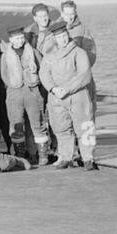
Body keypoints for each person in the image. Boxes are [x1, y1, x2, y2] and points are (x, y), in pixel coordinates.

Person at [39, 20, 97, 171]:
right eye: (59, 37)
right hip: (56, 98)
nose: (63, 39)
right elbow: (44, 74)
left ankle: (88, 158)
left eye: (65, 35)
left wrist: (67, 89)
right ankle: (66, 157)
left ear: (68, 35)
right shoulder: (49, 56)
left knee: (84, 127)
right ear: (55, 38)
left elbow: (85, 75)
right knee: (61, 128)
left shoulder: (79, 52)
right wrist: (52, 88)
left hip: (77, 96)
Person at [1, 25, 48, 165]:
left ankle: (42, 155)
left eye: (21, 37)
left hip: (32, 91)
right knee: (16, 125)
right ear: (10, 40)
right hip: (14, 93)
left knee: (37, 123)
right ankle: (20, 155)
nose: (19, 40)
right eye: (16, 38)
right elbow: (2, 74)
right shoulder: (5, 56)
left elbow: (43, 69)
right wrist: (11, 85)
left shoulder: (33, 52)